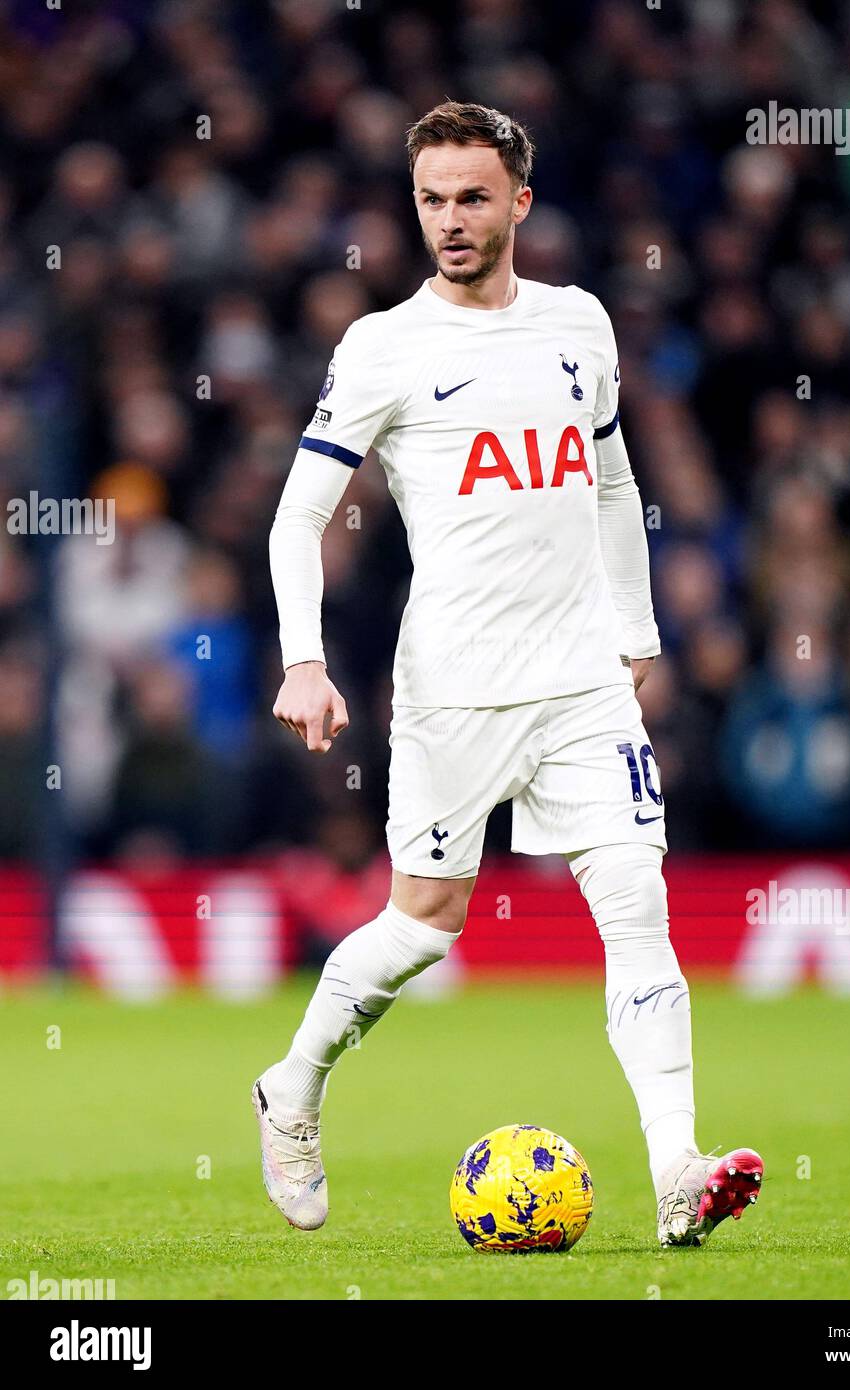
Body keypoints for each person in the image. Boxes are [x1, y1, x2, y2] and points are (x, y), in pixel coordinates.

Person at [253, 101, 762, 1248]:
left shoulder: (579, 325)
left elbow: (613, 485)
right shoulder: (384, 347)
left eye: (472, 196)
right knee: (425, 920)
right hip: (453, 687)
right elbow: (295, 519)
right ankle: (293, 1085)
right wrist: (301, 657)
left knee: (635, 903)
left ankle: (676, 1164)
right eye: (430, 198)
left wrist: (637, 635)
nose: (449, 220)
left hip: (581, 679)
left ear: (519, 202)